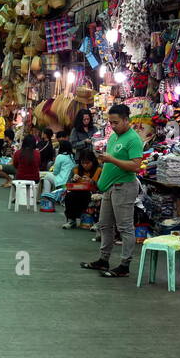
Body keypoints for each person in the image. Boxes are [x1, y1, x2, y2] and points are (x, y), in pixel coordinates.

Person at [84, 104, 144, 278]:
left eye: (116, 122)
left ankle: (125, 265)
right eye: (110, 122)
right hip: (110, 187)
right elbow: (111, 161)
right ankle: (104, 259)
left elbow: (136, 166)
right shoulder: (113, 137)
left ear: (127, 120)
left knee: (124, 227)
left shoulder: (133, 139)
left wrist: (111, 159)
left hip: (124, 187)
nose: (112, 126)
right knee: (104, 224)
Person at [62, 149, 101, 230]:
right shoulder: (75, 169)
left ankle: (97, 222)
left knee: (96, 197)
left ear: (93, 161)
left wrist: (92, 181)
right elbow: (67, 184)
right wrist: (73, 180)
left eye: (87, 163)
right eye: (83, 163)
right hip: (78, 193)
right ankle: (71, 220)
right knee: (69, 196)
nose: (85, 165)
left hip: (94, 193)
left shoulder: (99, 169)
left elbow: (102, 185)